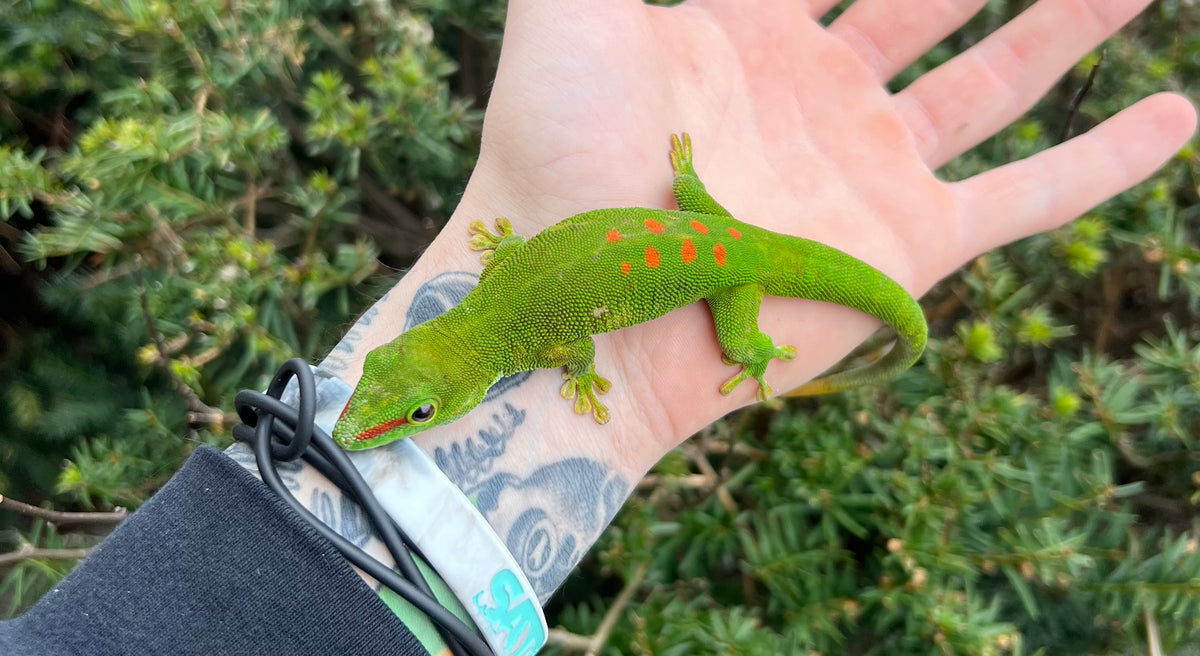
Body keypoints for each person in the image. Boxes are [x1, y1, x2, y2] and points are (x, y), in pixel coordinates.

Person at [2, 0, 1194, 654]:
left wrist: (747, 350)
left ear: (446, 386)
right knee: (730, 287)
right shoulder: (481, 317)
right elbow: (511, 302)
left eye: (405, 409)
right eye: (401, 407)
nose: (391, 418)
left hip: (730, 255)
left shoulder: (510, 344)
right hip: (703, 228)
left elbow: (558, 339)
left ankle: (792, 333)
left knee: (747, 325)